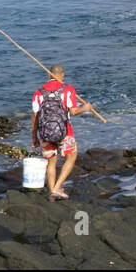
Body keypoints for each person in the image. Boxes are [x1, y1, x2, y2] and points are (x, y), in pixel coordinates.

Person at [31, 64, 96, 201]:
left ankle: (52, 195)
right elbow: (74, 111)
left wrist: (34, 138)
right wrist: (86, 108)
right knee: (71, 156)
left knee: (51, 162)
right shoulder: (68, 89)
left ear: (49, 75)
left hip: (45, 133)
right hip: (65, 132)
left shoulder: (38, 93)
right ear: (62, 75)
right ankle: (57, 188)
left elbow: (35, 119)